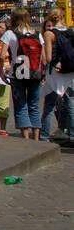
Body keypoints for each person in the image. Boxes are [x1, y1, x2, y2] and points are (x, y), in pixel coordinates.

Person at [10, 8, 45, 140]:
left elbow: (2, 55)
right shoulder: (37, 35)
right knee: (34, 105)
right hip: (35, 73)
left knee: (21, 106)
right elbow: (44, 57)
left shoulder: (11, 34)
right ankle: (36, 137)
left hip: (19, 73)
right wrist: (43, 74)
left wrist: (4, 72)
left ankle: (25, 138)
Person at [41, 15, 74, 143]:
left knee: (49, 105)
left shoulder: (49, 34)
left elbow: (48, 58)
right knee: (71, 104)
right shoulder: (70, 32)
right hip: (70, 72)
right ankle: (72, 135)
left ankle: (44, 136)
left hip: (55, 73)